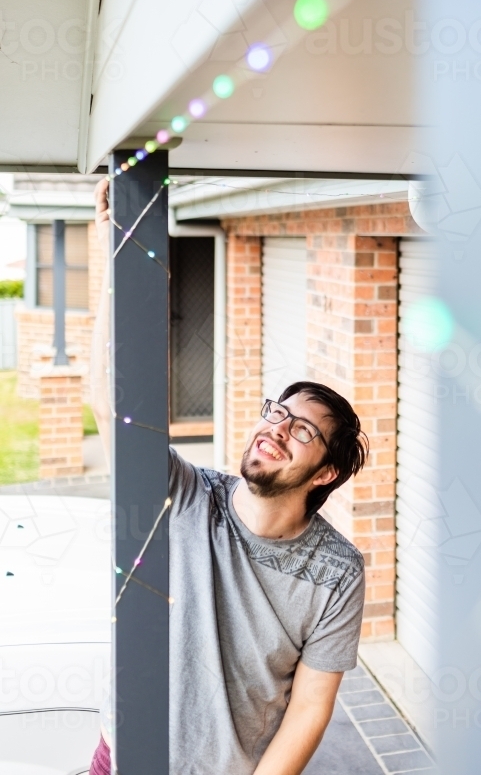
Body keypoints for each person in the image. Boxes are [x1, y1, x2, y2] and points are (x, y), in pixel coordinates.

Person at [89, 178, 369, 775]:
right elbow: (109, 403)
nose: (275, 428)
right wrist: (112, 251)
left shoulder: (336, 571)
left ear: (329, 471)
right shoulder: (184, 495)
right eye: (277, 412)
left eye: (302, 431)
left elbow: (311, 707)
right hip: (121, 760)